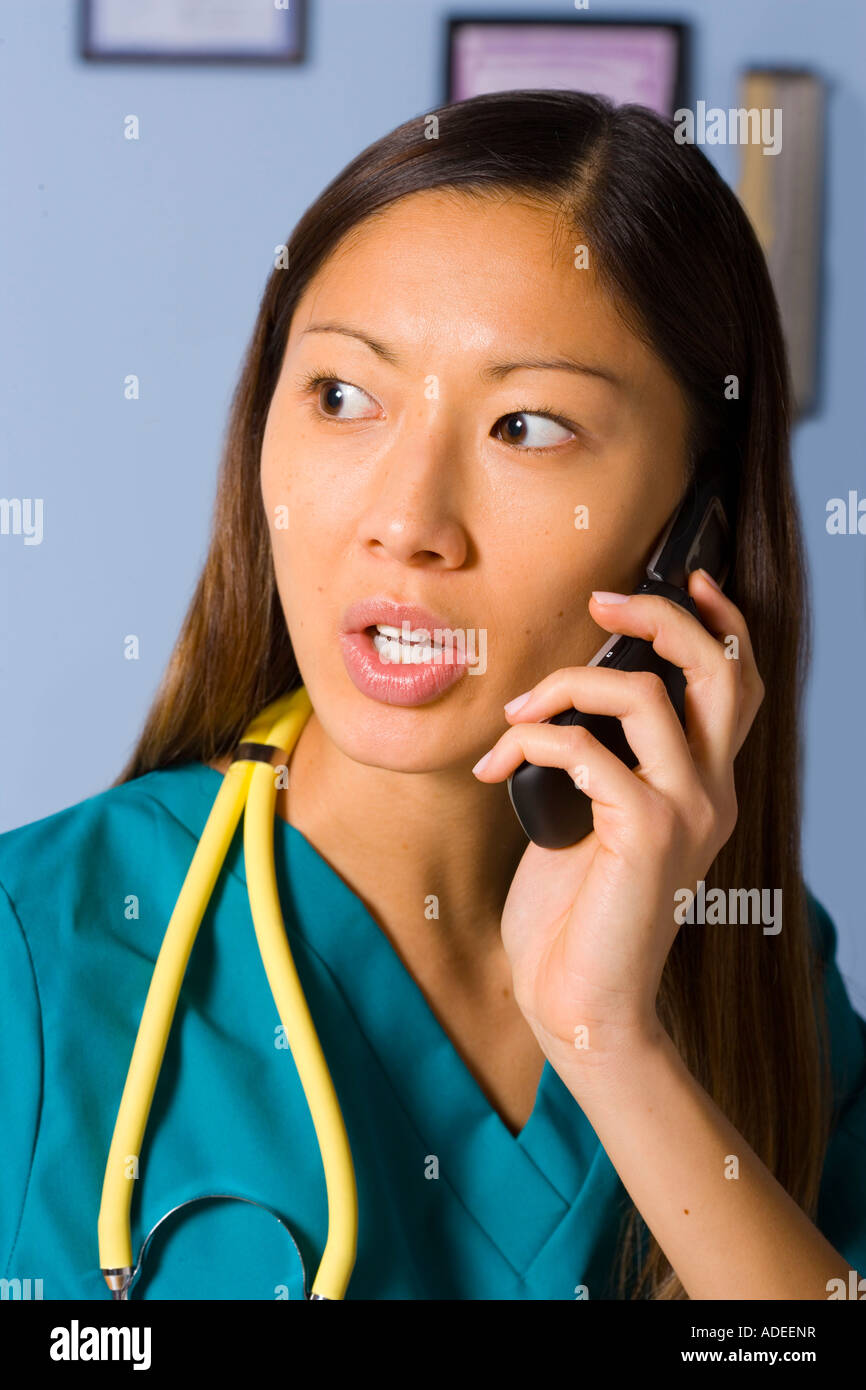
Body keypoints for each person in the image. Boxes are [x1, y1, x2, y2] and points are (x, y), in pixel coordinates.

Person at [1, 90, 864, 1302]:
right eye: (343, 397)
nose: (404, 522)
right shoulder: (30, 947)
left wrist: (610, 1042)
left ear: (690, 530)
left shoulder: (757, 961)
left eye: (525, 425)